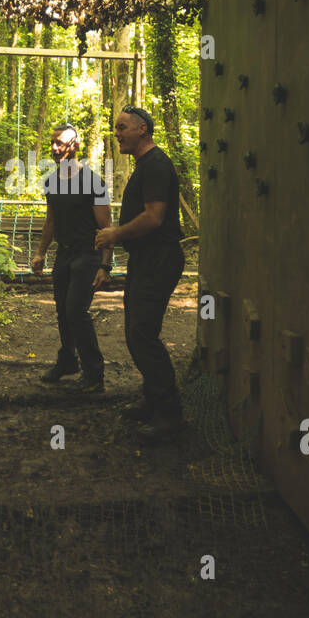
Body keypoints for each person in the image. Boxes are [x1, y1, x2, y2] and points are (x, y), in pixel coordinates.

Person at [94, 106, 185, 442]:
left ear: (142, 129)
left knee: (143, 335)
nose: (116, 133)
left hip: (159, 259)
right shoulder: (145, 166)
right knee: (136, 332)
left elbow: (154, 217)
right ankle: (152, 398)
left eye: (121, 128)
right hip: (145, 260)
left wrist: (116, 234)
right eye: (115, 128)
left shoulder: (157, 165)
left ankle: (169, 415)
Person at [32, 123, 113, 395]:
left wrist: (105, 264)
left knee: (76, 311)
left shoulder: (93, 181)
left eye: (61, 143)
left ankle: (94, 374)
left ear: (75, 146)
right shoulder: (51, 180)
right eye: (53, 142)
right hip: (64, 254)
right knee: (62, 311)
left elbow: (106, 226)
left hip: (87, 255)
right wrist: (40, 252)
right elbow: (51, 220)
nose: (55, 148)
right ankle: (67, 361)